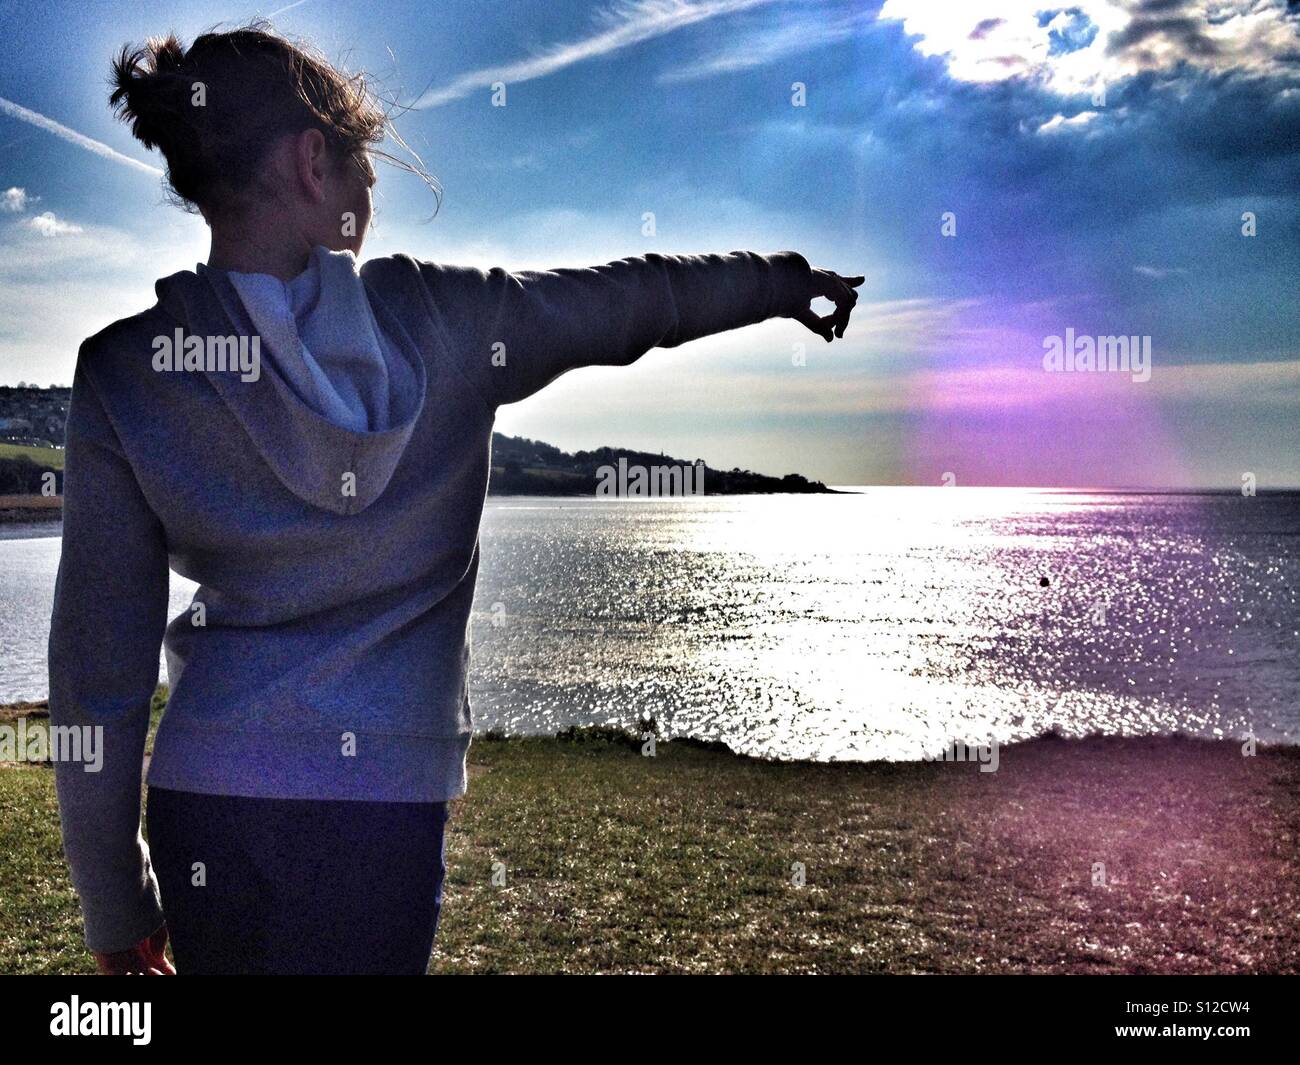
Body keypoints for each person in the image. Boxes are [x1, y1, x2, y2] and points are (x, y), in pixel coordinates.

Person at [47, 22, 862, 975]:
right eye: (366, 175)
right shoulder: (451, 320)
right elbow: (637, 301)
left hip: (211, 796)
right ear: (314, 161)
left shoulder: (127, 372)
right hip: (385, 806)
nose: (371, 203)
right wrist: (781, 284)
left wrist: (114, 904)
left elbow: (94, 680)